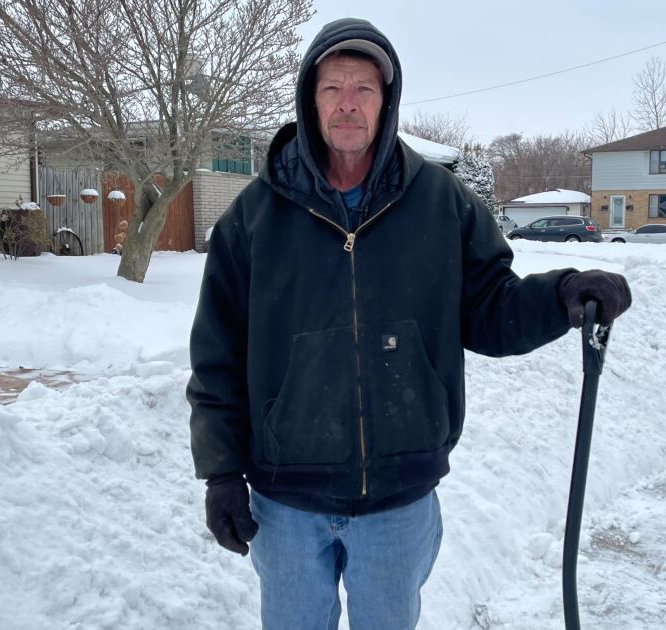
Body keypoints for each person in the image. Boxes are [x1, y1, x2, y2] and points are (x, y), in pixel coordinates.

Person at [187, 17, 632, 629]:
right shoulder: (255, 217)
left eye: (363, 89)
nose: (348, 104)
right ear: (309, 99)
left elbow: (491, 309)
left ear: (386, 102)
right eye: (333, 88)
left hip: (399, 500)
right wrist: (220, 474)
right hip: (285, 502)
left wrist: (562, 296)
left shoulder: (440, 202)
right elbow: (217, 355)